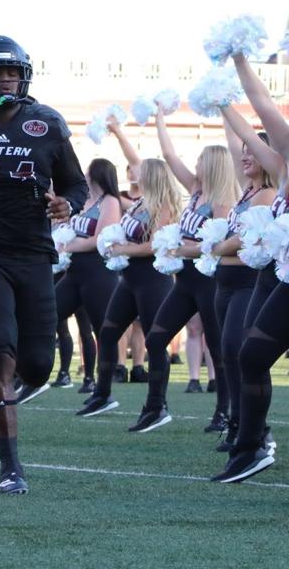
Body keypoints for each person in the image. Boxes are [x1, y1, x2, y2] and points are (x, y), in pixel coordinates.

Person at [0, 35, 88, 494]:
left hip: (32, 252)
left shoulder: (45, 122)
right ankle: (11, 466)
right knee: (2, 355)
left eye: (12, 72)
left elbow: (76, 184)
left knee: (36, 366)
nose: (6, 80)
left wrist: (66, 206)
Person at [137, 112, 239, 433]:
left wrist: (179, 249)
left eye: (201, 159)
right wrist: (159, 117)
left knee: (219, 348)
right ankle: (156, 406)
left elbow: (216, 245)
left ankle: (224, 411)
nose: (195, 164)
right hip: (185, 282)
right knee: (156, 339)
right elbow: (169, 156)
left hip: (210, 282)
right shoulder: (195, 190)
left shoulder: (222, 201)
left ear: (214, 165)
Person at [214, 50, 288, 481]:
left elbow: (262, 105)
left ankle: (252, 443)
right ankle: (251, 445)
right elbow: (249, 128)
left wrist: (240, 59)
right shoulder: (280, 167)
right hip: (281, 276)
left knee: (251, 353)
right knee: (252, 353)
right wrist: (222, 102)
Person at [77, 159, 181, 416]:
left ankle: (156, 404)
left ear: (152, 176)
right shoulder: (138, 203)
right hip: (129, 279)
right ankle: (102, 393)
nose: (135, 174)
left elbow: (154, 245)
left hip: (152, 280)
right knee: (109, 333)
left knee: (155, 342)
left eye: (140, 172)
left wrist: (122, 249)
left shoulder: (163, 204)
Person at [53, 159, 122, 389]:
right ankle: (31, 374)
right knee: (48, 314)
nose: (84, 174)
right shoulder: (85, 201)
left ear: (97, 175)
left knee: (102, 330)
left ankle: (102, 388)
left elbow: (99, 240)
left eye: (88, 171)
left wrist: (67, 246)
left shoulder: (110, 202)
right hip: (74, 272)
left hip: (97, 273)